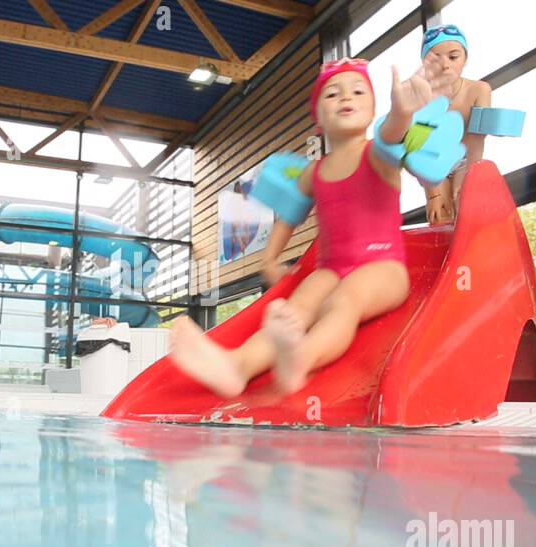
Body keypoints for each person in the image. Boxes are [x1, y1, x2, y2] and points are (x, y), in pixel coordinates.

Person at [169, 57, 455, 398]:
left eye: (358, 91)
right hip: (331, 268)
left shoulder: (378, 154)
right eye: (332, 94)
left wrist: (402, 112)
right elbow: (289, 215)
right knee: (295, 310)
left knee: (344, 301)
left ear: (373, 108)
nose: (346, 98)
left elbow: (392, 133)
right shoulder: (313, 172)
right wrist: (270, 259)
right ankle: (237, 367)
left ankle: (300, 358)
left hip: (384, 267)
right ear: (317, 117)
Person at [419, 24, 492, 224]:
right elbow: (421, 149)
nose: (445, 65)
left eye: (453, 57)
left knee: (466, 209)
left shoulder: (478, 90)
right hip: (434, 163)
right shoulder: (422, 98)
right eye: (435, 58)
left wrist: (470, 177)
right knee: (439, 216)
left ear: (465, 58)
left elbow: (477, 138)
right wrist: (433, 195)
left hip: (465, 157)